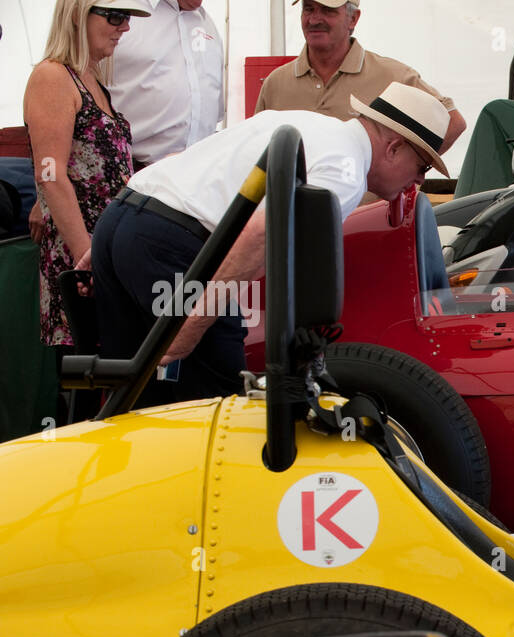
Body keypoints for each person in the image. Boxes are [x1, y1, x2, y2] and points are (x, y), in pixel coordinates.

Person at [92, 81, 450, 405]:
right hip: (170, 243)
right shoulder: (346, 171)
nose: (418, 179)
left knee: (130, 394)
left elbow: (185, 162)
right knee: (211, 405)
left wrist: (112, 236)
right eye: (420, 166)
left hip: (126, 216)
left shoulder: (305, 123)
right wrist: (192, 328)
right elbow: (259, 235)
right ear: (394, 147)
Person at [23, 0, 148, 354]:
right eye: (116, 16)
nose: (124, 27)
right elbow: (49, 173)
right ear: (79, 15)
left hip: (104, 261)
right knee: (87, 385)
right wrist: (86, 256)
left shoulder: (90, 80)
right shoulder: (53, 76)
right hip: (81, 265)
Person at [254, 0, 465, 153]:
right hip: (291, 214)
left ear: (353, 19)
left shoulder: (392, 76)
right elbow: (255, 150)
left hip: (368, 214)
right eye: (308, 8)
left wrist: (410, 171)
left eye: (327, 10)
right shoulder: (276, 83)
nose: (314, 19)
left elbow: (453, 122)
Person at [107, 0, 225, 170]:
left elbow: (213, 112)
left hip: (198, 175)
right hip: (134, 174)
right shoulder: (122, 14)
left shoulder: (207, 24)